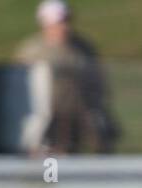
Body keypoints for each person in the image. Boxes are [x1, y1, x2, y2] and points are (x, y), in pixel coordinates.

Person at [16, 0, 119, 155]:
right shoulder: (31, 51)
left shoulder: (83, 48)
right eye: (58, 23)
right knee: (48, 168)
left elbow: (97, 84)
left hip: (76, 120)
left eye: (66, 21)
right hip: (45, 122)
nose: (64, 27)